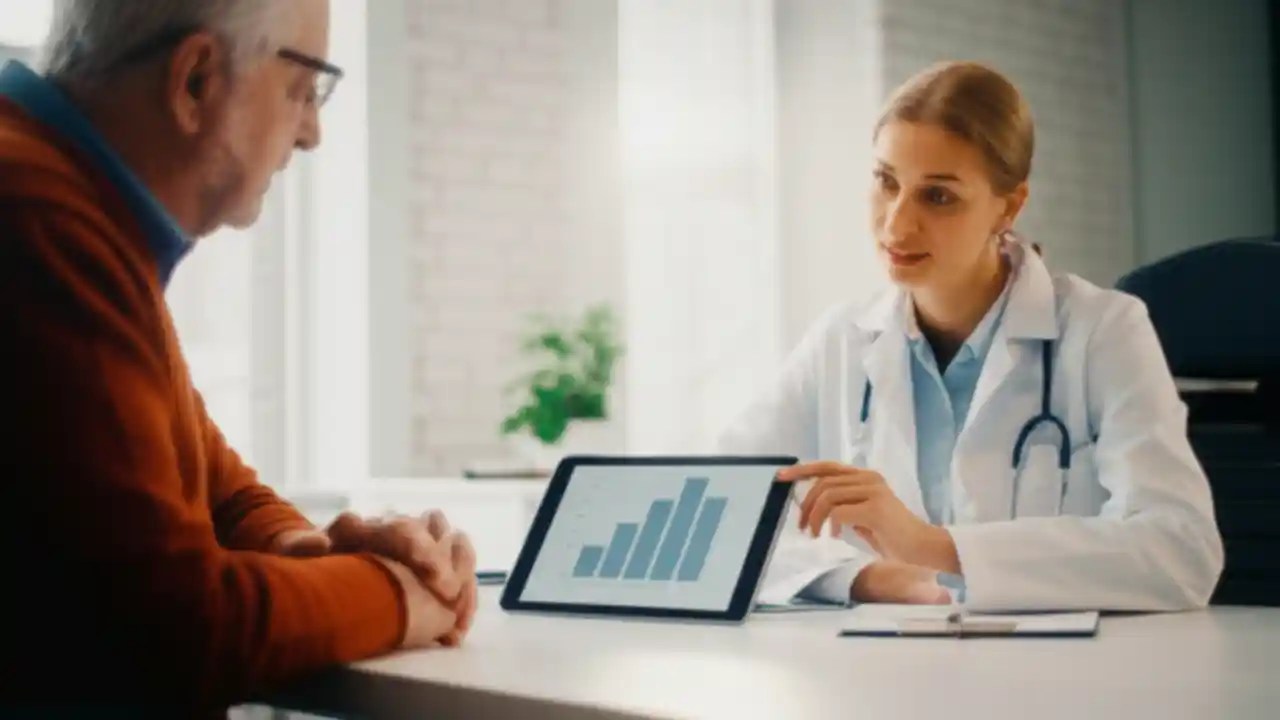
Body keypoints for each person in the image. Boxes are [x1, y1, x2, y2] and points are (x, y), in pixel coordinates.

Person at [0, 0, 476, 713]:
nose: (312, 132)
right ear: (195, 80)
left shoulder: (79, 209)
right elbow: (176, 626)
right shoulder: (41, 220)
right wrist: (400, 594)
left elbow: (219, 492)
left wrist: (321, 547)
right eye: (302, 88)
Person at [720, 61, 1224, 612]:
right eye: (886, 182)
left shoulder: (1103, 331)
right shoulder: (841, 340)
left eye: (937, 196)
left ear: (1009, 206)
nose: (896, 224)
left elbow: (1181, 550)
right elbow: (722, 515)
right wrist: (873, 579)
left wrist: (935, 548)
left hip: (1061, 664)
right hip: (882, 657)